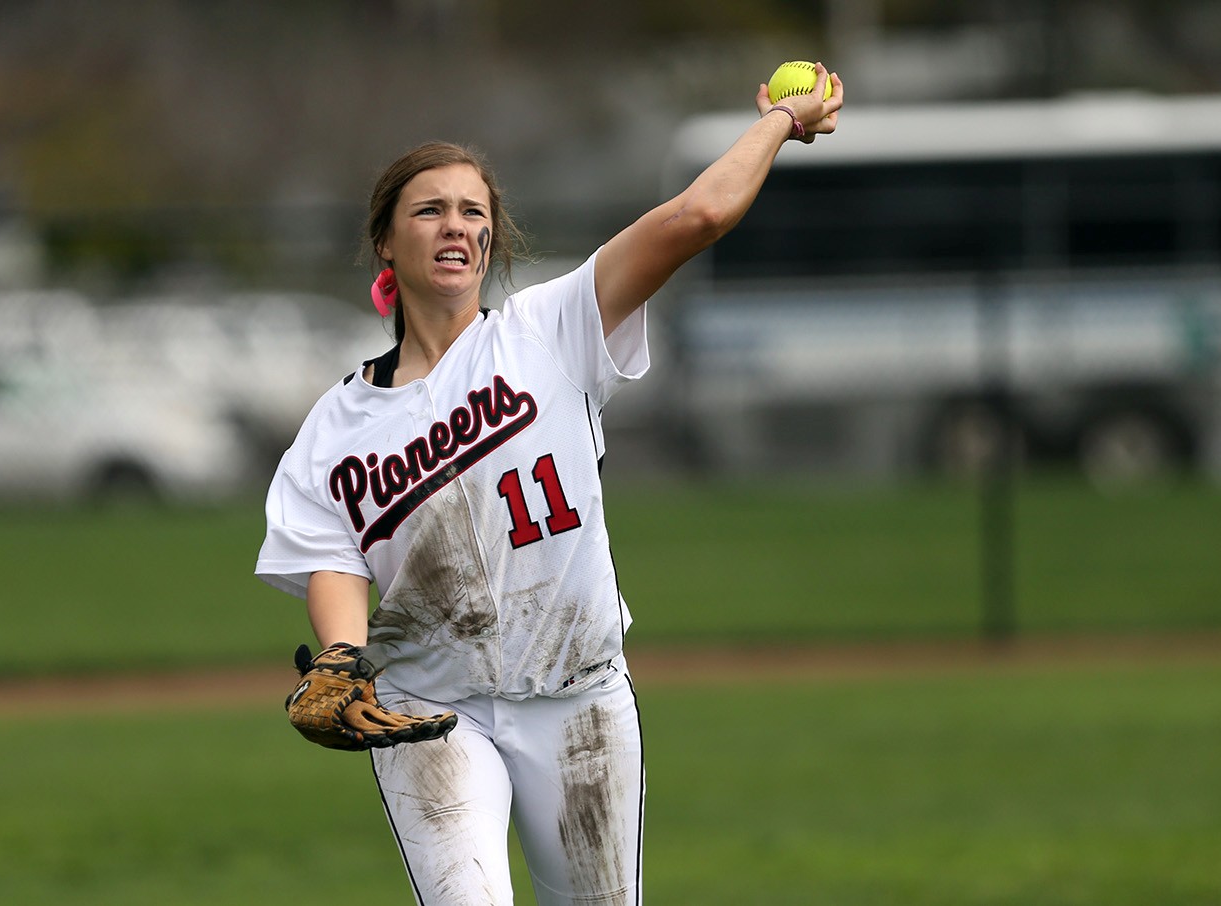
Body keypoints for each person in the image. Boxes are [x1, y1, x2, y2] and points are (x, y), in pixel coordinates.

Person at [256, 63, 843, 905]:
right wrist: (343, 660)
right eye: (429, 209)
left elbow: (699, 214)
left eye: (473, 212)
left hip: (580, 701)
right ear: (385, 239)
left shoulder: (549, 328)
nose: (455, 225)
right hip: (430, 711)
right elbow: (336, 563)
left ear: (492, 239)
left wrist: (781, 124)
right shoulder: (335, 429)